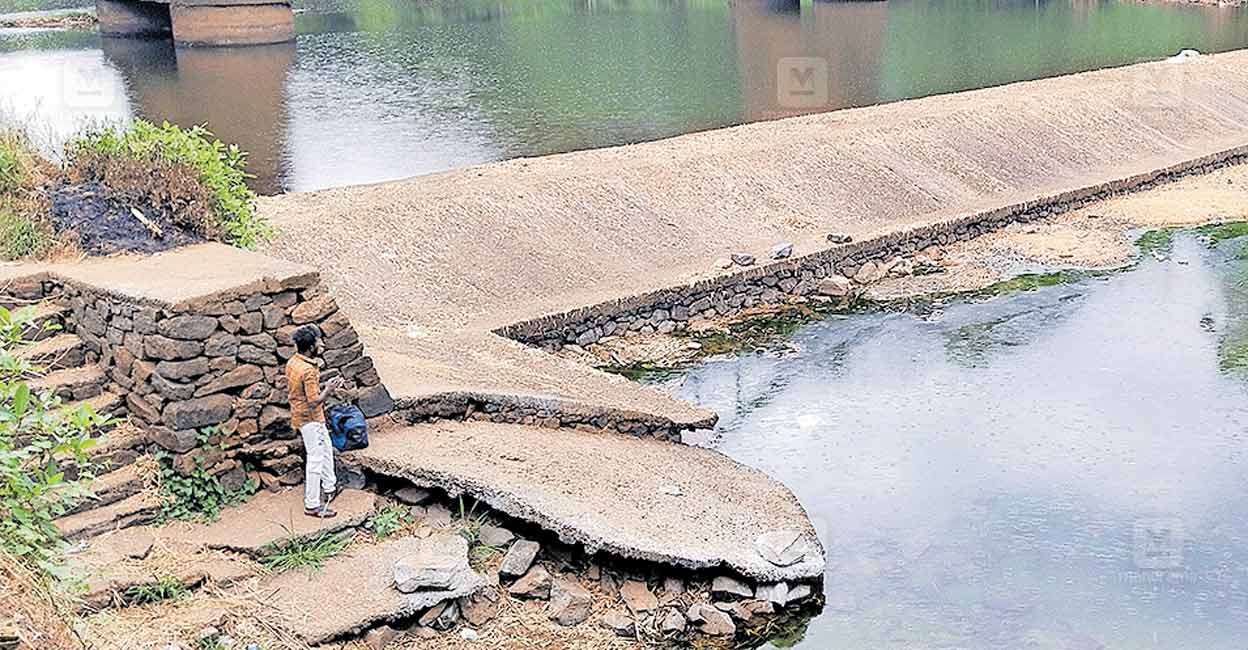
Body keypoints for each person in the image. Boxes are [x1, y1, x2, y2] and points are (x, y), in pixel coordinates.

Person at [286, 326, 345, 518]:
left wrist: (324, 387)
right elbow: (313, 401)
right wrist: (328, 389)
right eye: (319, 342)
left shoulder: (294, 362)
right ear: (311, 347)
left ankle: (329, 487)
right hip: (310, 418)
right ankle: (312, 504)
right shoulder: (308, 370)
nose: (323, 344)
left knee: (325, 449)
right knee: (316, 459)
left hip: (302, 415)